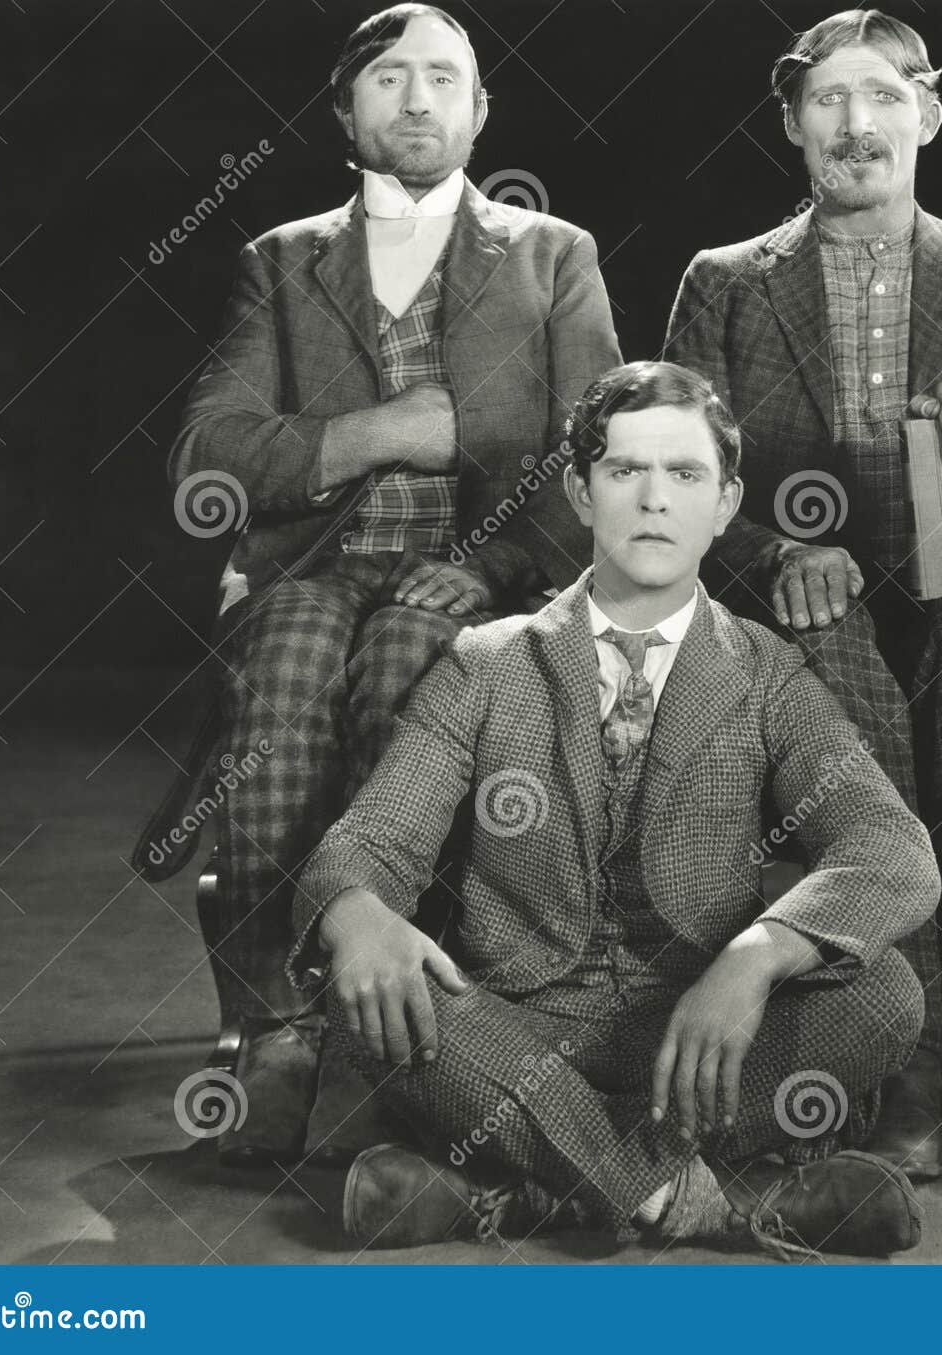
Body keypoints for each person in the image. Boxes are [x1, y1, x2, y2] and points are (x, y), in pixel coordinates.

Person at [288, 362, 937, 1257]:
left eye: (685, 474)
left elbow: (891, 844)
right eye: (626, 470)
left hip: (695, 1036)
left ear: (725, 502)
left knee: (887, 997)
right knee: (362, 987)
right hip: (512, 1032)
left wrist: (757, 955)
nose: (655, 501)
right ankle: (717, 1202)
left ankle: (515, 1194)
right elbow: (370, 839)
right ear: (580, 492)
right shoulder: (485, 663)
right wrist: (356, 910)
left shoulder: (766, 672)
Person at [152, 3, 621, 1162]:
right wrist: (382, 432)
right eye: (389, 79)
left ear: (479, 110)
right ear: (344, 107)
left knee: (400, 688)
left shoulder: (551, 255)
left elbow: (596, 453)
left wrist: (492, 564)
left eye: (443, 78)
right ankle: (278, 1027)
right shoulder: (282, 259)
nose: (416, 100)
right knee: (281, 691)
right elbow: (209, 450)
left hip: (476, 573)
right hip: (317, 566)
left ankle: (392, 1030)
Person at [665, 9, 942, 1184]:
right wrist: (768, 554)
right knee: (845, 675)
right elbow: (673, 482)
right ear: (790, 123)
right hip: (810, 612)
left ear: (927, 113)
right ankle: (905, 1055)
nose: (855, 124)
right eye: (827, 100)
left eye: (880, 97)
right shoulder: (723, 286)